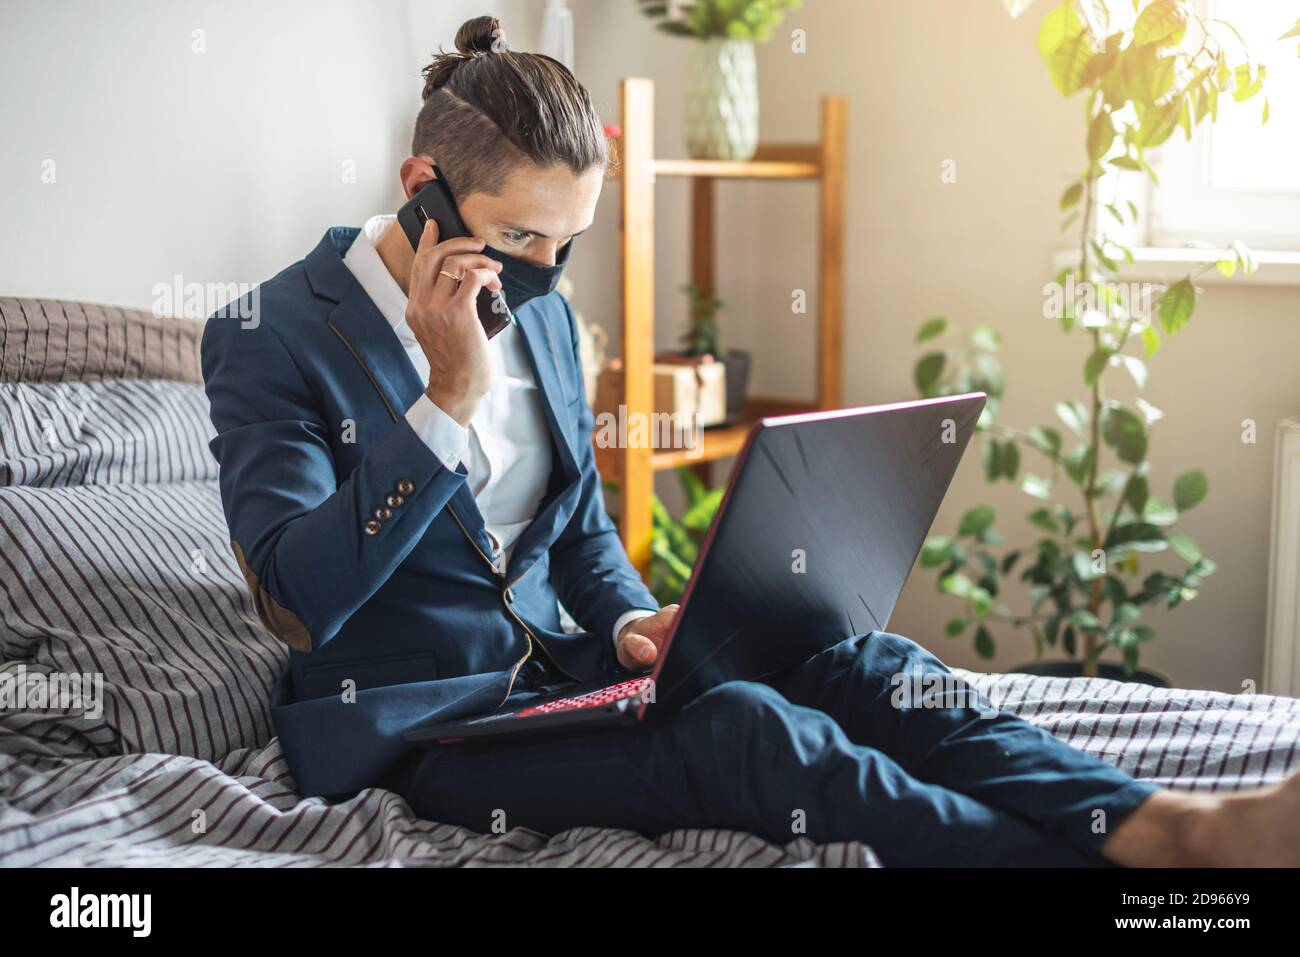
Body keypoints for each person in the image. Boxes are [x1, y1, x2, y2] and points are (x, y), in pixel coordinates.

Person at [201, 14, 1300, 867]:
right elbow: (299, 599)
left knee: (864, 664)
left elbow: (574, 531)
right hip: (420, 729)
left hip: (572, 678)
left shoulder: (533, 307)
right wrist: (444, 399)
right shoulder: (271, 336)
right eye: (517, 237)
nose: (542, 275)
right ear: (421, 191)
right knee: (741, 732)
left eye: (569, 242)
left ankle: (1166, 828)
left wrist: (631, 617)